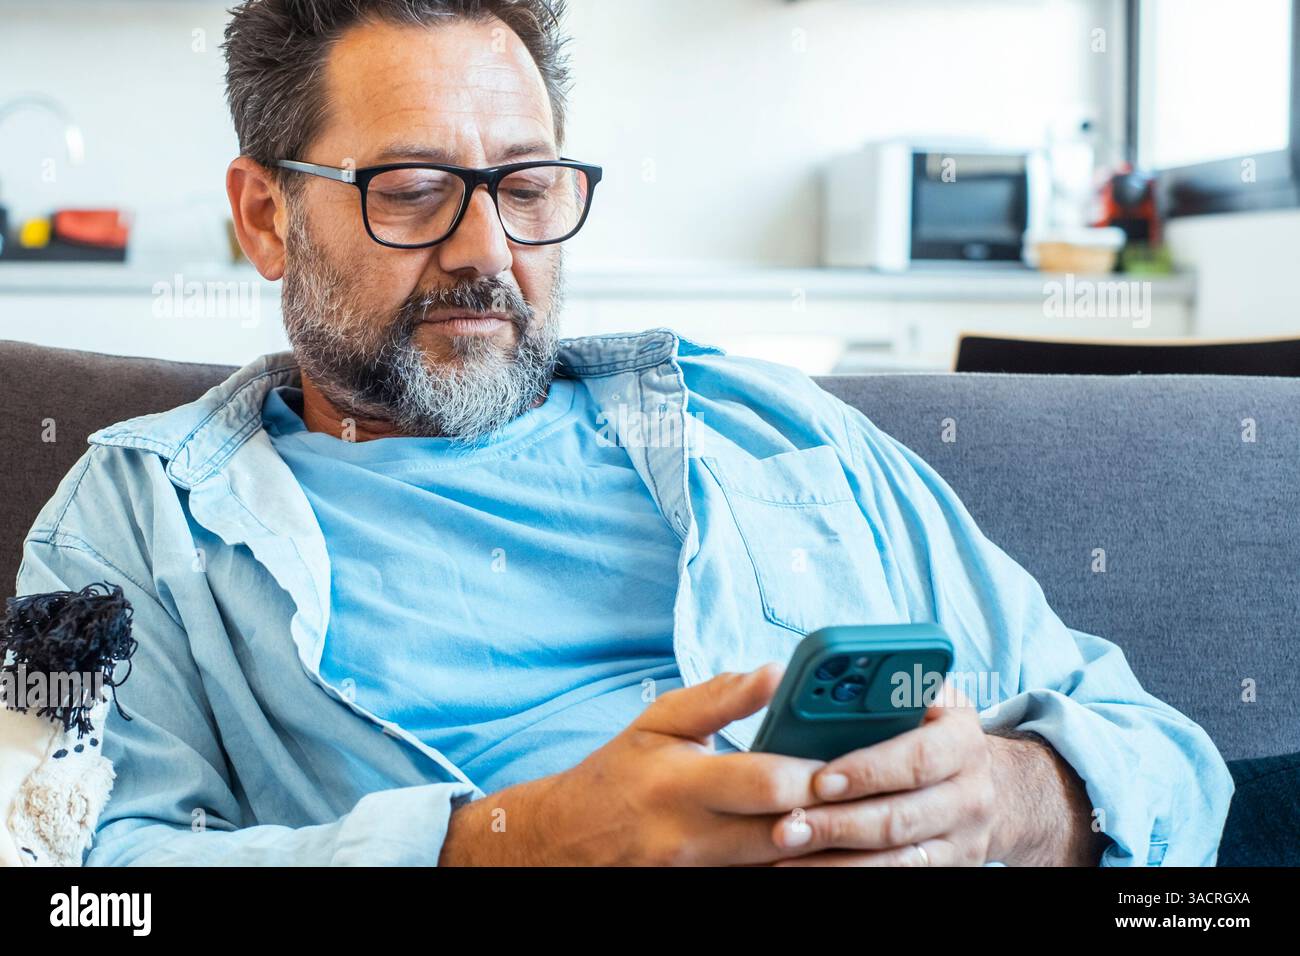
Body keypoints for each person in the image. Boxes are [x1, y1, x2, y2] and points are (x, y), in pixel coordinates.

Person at [17, 0, 1231, 866]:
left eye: (528, 187)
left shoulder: (778, 432)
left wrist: (1013, 807)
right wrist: (511, 843)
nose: (488, 251)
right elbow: (64, 869)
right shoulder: (123, 525)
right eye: (411, 190)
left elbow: (1165, 752)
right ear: (265, 216)